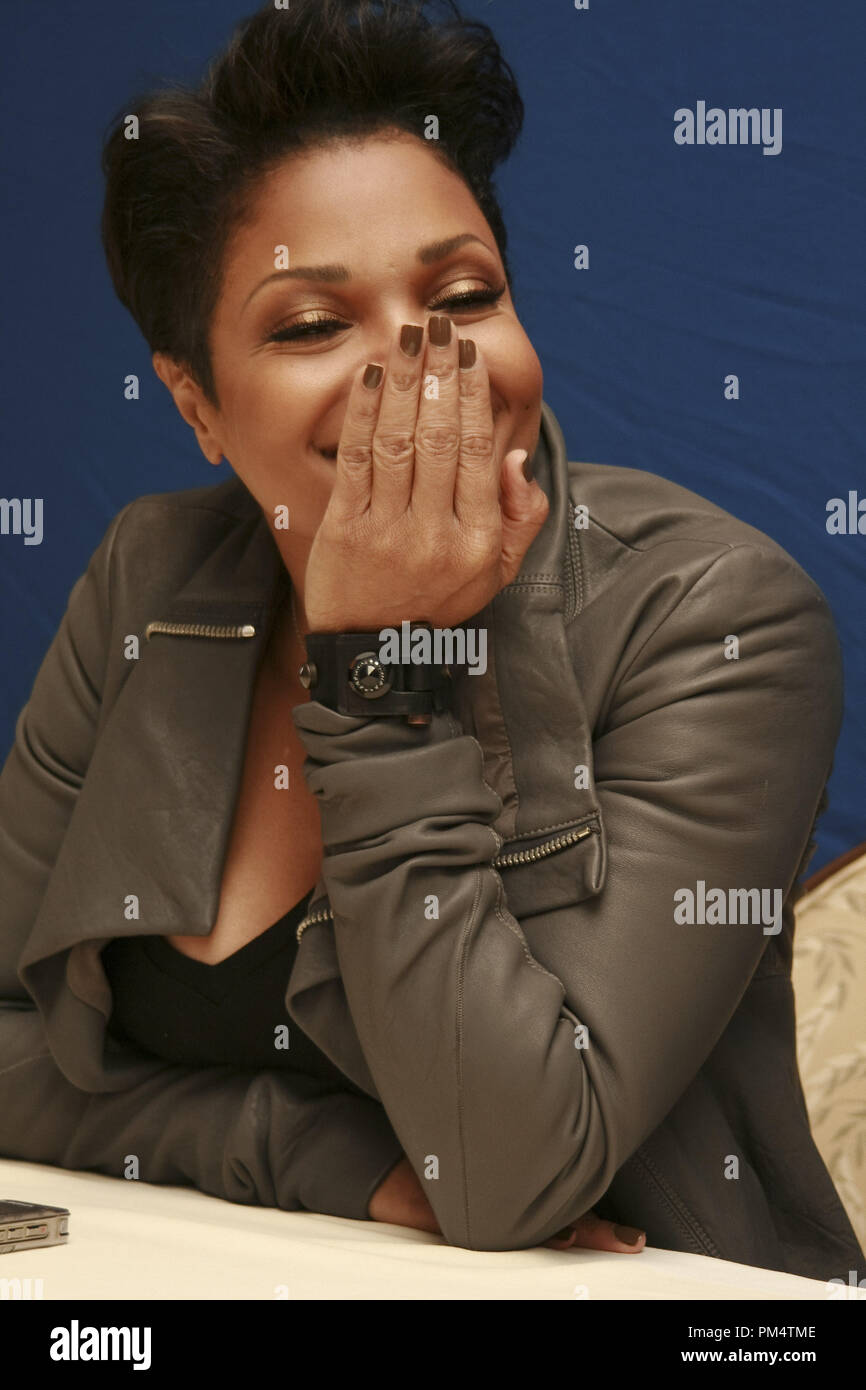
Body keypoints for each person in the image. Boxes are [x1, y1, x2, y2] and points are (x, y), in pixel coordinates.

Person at [0, 0, 862, 1280]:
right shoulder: (149, 579)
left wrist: (379, 666)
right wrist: (318, 1157)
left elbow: (509, 1171)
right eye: (307, 324)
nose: (421, 368)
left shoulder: (713, 615)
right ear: (196, 403)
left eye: (462, 294)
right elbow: (11, 1046)